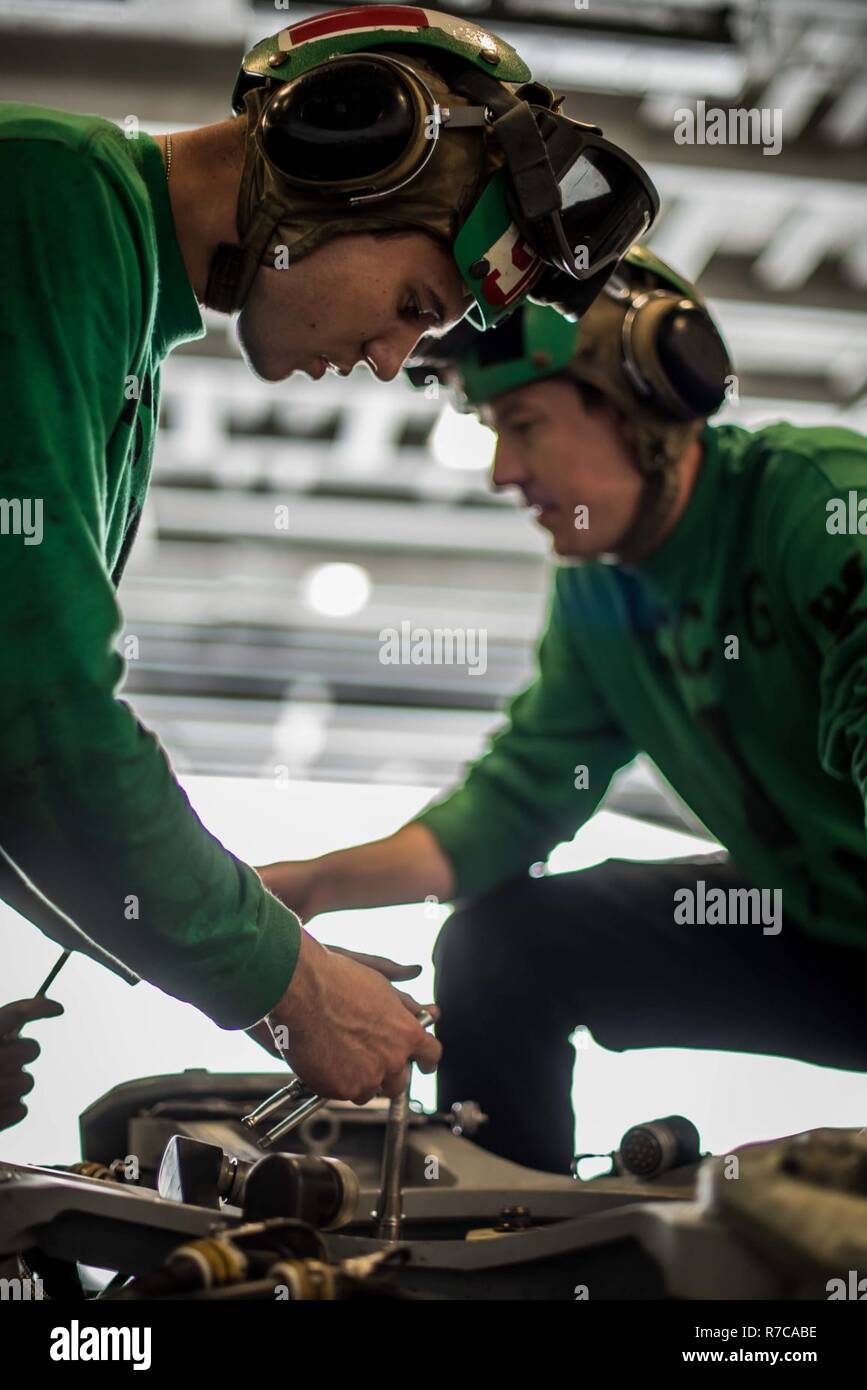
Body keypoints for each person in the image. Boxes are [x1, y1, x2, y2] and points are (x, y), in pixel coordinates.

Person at [0, 6, 655, 1108]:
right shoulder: (47, 199)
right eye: (413, 305)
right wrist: (294, 984)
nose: (394, 357)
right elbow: (39, 720)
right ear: (338, 151)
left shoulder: (127, 323)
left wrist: (269, 965)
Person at [260, 246, 867, 1172]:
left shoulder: (818, 503)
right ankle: (499, 1242)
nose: (503, 470)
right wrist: (307, 886)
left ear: (644, 404)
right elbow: (513, 804)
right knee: (506, 946)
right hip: (819, 934)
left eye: (526, 424)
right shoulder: (600, 595)